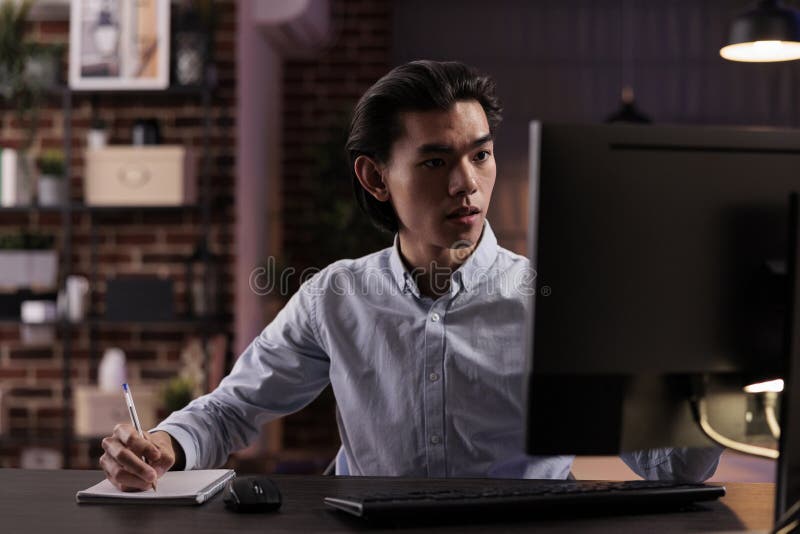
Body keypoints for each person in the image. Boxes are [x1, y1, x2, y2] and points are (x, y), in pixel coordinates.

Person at [100, 60, 722, 491]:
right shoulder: (335, 297)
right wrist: (162, 446)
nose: (467, 184)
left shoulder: (555, 300)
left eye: (480, 154)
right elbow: (230, 412)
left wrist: (714, 364)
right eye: (435, 161)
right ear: (375, 178)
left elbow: (669, 466)